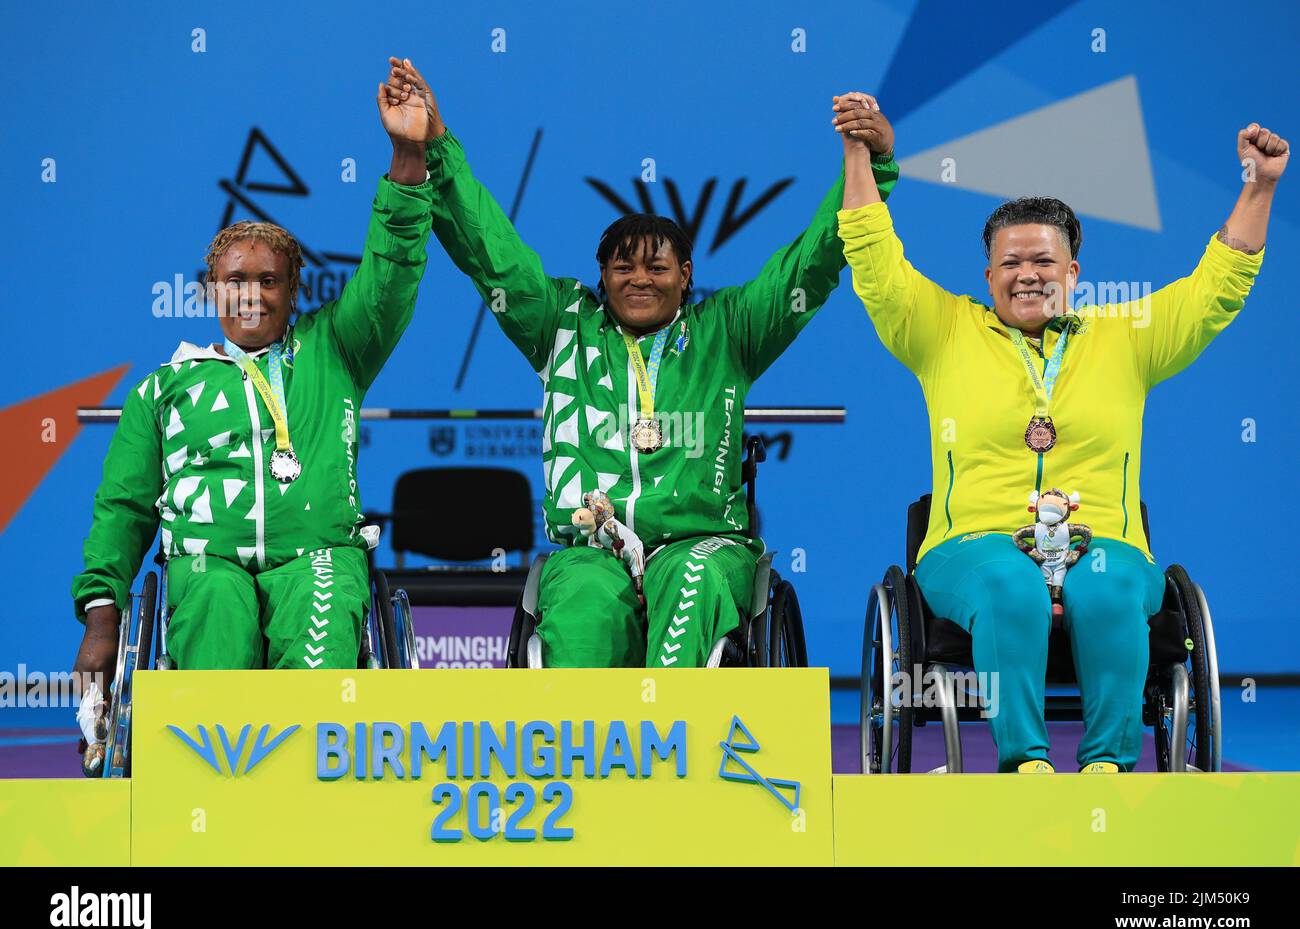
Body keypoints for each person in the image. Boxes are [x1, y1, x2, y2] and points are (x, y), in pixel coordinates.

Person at [386, 61, 899, 666]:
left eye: (658, 268)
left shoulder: (729, 330)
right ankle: (583, 760)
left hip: (701, 544)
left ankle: (671, 752)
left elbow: (810, 263)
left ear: (685, 277)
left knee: (689, 586)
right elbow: (488, 250)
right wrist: (436, 148)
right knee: (580, 608)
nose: (639, 279)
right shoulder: (561, 325)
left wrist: (872, 165)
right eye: (623, 267)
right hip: (591, 549)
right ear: (601, 277)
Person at [834, 93, 1287, 772]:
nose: (1028, 274)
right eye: (1011, 262)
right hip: (974, 545)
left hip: (1103, 539)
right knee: (1009, 585)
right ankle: (1028, 768)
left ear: (1073, 273)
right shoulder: (941, 331)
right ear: (988, 276)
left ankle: (1107, 768)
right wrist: (860, 153)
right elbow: (873, 261)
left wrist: (1260, 183)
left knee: (1106, 585)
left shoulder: (1127, 338)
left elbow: (1216, 289)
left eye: (1044, 261)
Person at [71, 57, 440, 691]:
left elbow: (391, 272)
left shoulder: (336, 350)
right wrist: (103, 619)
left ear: (295, 288)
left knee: (320, 616)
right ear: (211, 291)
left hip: (318, 558)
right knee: (214, 607)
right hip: (209, 563)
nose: (251, 294)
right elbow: (123, 510)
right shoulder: (163, 390)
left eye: (268, 280)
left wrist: (408, 156)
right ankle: (217, 788)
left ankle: (308, 785)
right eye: (235, 280)